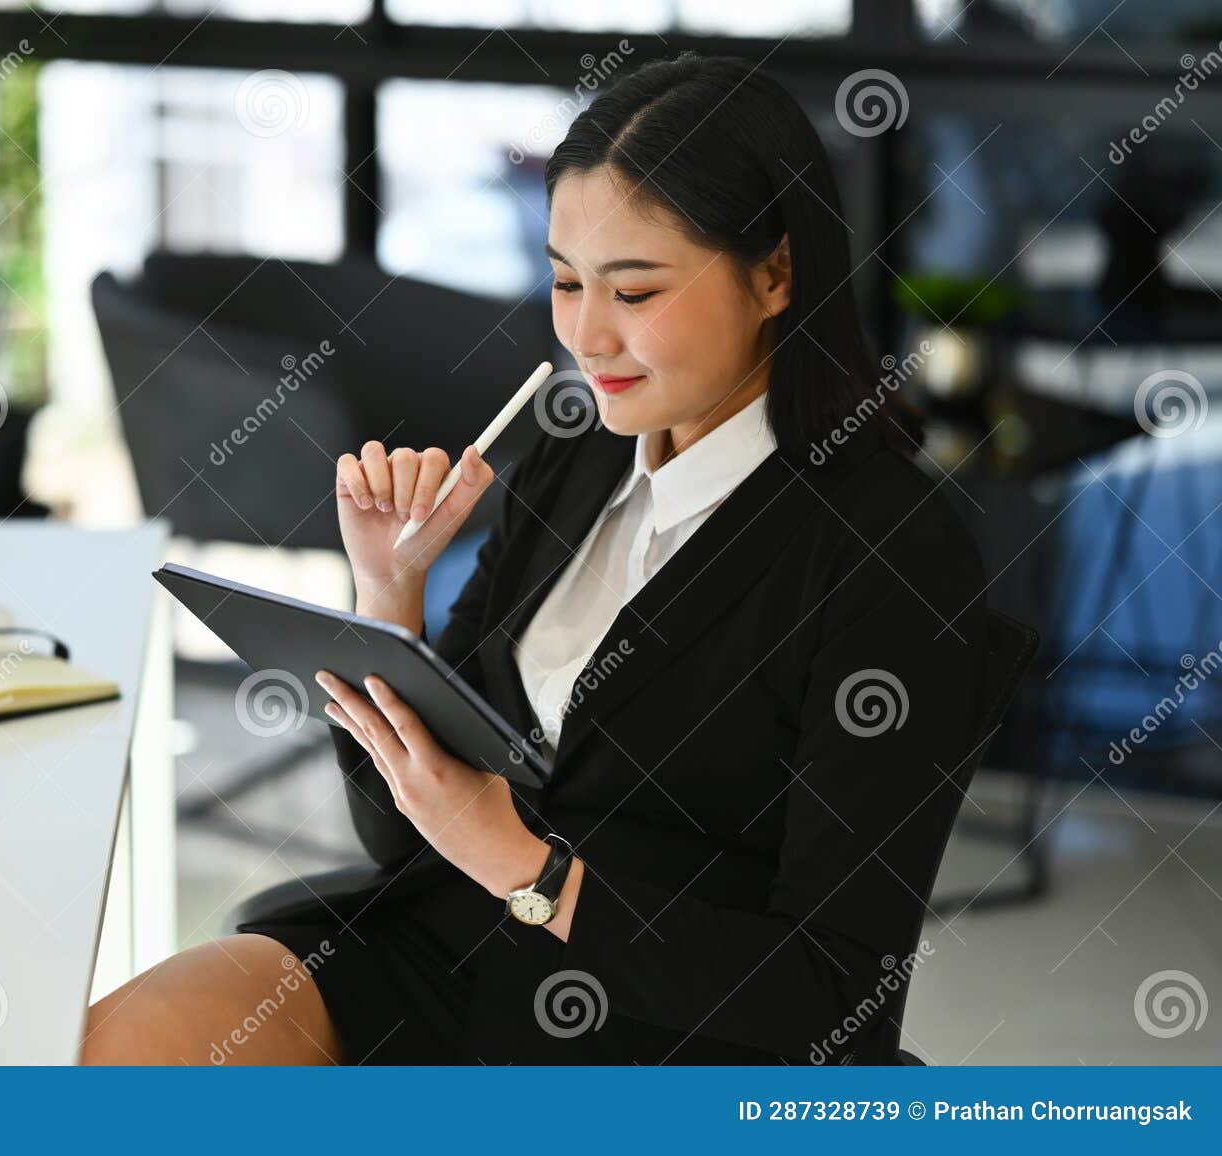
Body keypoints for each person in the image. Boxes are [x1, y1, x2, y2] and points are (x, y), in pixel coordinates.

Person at [81, 51, 987, 1066]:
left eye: (634, 291)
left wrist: (530, 868)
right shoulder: (575, 458)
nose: (587, 335)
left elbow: (835, 993)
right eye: (564, 280)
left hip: (676, 1036)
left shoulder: (896, 550)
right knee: (127, 1052)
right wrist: (390, 593)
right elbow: (402, 834)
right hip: (455, 953)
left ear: (773, 272)